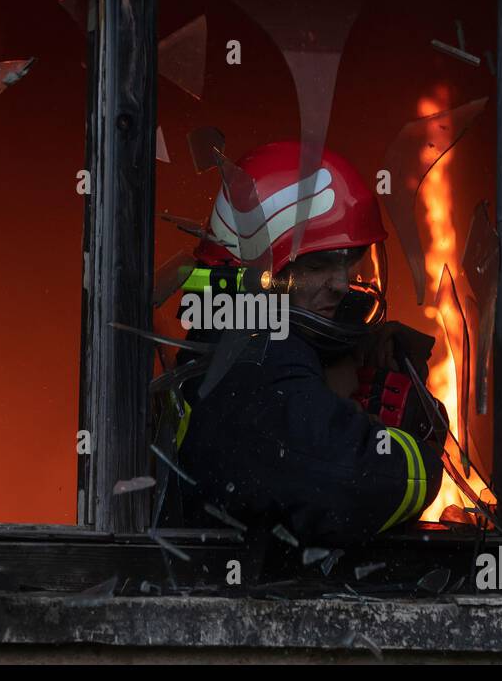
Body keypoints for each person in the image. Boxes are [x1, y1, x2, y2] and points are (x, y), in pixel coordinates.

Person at [172, 141, 446, 543]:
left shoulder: (231, 337)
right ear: (258, 272)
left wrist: (347, 360)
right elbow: (353, 480)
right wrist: (408, 442)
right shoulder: (252, 365)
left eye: (349, 262)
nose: (340, 284)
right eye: (318, 265)